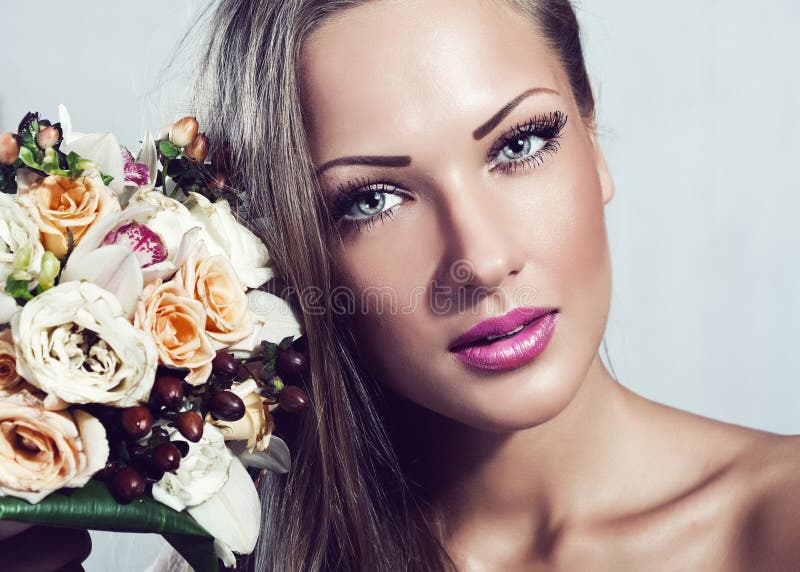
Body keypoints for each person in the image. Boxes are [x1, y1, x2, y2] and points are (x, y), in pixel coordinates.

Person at [5, 0, 800, 570]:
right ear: (288, 244)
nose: (481, 261)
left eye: (520, 144)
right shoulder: (249, 555)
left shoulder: (778, 523)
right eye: (372, 200)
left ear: (592, 140)